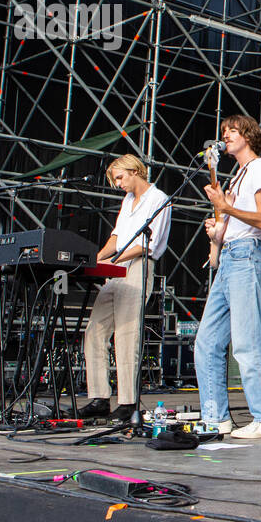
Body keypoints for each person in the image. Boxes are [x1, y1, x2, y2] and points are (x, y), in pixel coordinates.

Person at [195, 115, 261, 439]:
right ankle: (216, 417)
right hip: (230, 258)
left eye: (231, 131)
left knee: (245, 342)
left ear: (248, 134)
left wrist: (225, 209)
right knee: (207, 342)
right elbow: (228, 223)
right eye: (224, 132)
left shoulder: (260, 167)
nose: (226, 136)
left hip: (245, 256)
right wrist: (216, 232)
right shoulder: (236, 177)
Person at [80, 154, 172, 422]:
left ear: (135, 172)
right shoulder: (128, 200)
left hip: (138, 265)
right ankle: (98, 397)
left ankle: (128, 402)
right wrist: (96, 259)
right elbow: (116, 237)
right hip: (117, 268)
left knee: (126, 334)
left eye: (120, 177)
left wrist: (114, 261)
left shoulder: (159, 199)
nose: (118, 183)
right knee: (94, 330)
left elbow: (148, 244)